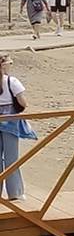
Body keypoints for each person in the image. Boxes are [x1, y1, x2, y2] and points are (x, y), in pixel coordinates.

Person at [0, 56, 28, 200]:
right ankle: (15, 192)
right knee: (11, 157)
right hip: (10, 119)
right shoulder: (12, 81)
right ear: (4, 66)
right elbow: (22, 103)